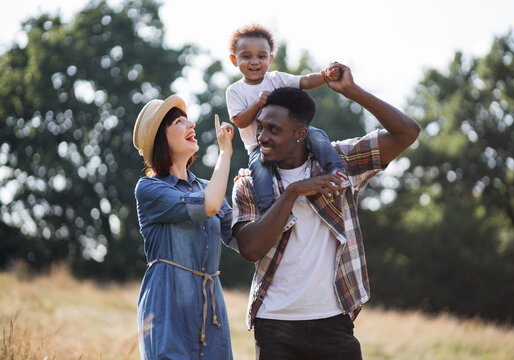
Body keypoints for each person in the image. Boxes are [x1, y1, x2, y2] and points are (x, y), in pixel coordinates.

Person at [231, 63, 421, 359]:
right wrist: (294, 192)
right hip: (275, 325)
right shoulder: (249, 183)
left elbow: (407, 132)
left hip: (335, 323)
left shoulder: (339, 163)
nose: (262, 138)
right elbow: (250, 248)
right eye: (260, 128)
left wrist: (352, 91)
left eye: (274, 130)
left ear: (300, 133)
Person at [133, 94, 236, 359]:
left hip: (211, 314)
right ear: (160, 139)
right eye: (179, 122)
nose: (191, 125)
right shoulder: (149, 188)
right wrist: (225, 153)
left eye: (187, 119)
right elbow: (209, 206)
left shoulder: (205, 187)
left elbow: (242, 237)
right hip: (167, 310)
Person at [226, 24, 349, 218]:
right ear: (234, 60)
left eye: (261, 56)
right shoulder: (235, 90)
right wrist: (257, 103)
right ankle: (269, 211)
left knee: (317, 136)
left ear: (270, 58)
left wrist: (325, 76)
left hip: (290, 138)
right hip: (259, 146)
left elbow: (305, 81)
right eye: (246, 56)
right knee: (260, 171)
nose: (255, 62)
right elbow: (240, 121)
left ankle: (337, 170)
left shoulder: (276, 79)